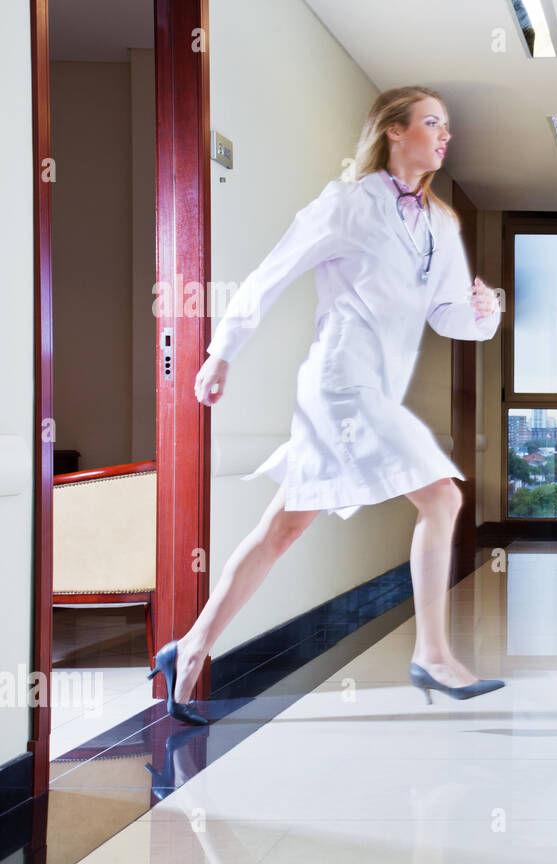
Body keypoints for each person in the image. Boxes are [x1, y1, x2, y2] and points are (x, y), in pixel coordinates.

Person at [147, 87, 504, 726]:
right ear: (393, 131)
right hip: (339, 384)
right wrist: (220, 352)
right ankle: (433, 653)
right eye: (431, 123)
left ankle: (190, 645)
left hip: (373, 388)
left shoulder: (442, 224)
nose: (444, 135)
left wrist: (488, 312)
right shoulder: (347, 204)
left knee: (283, 528)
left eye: (448, 126)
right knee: (443, 496)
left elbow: (449, 317)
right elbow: (269, 276)